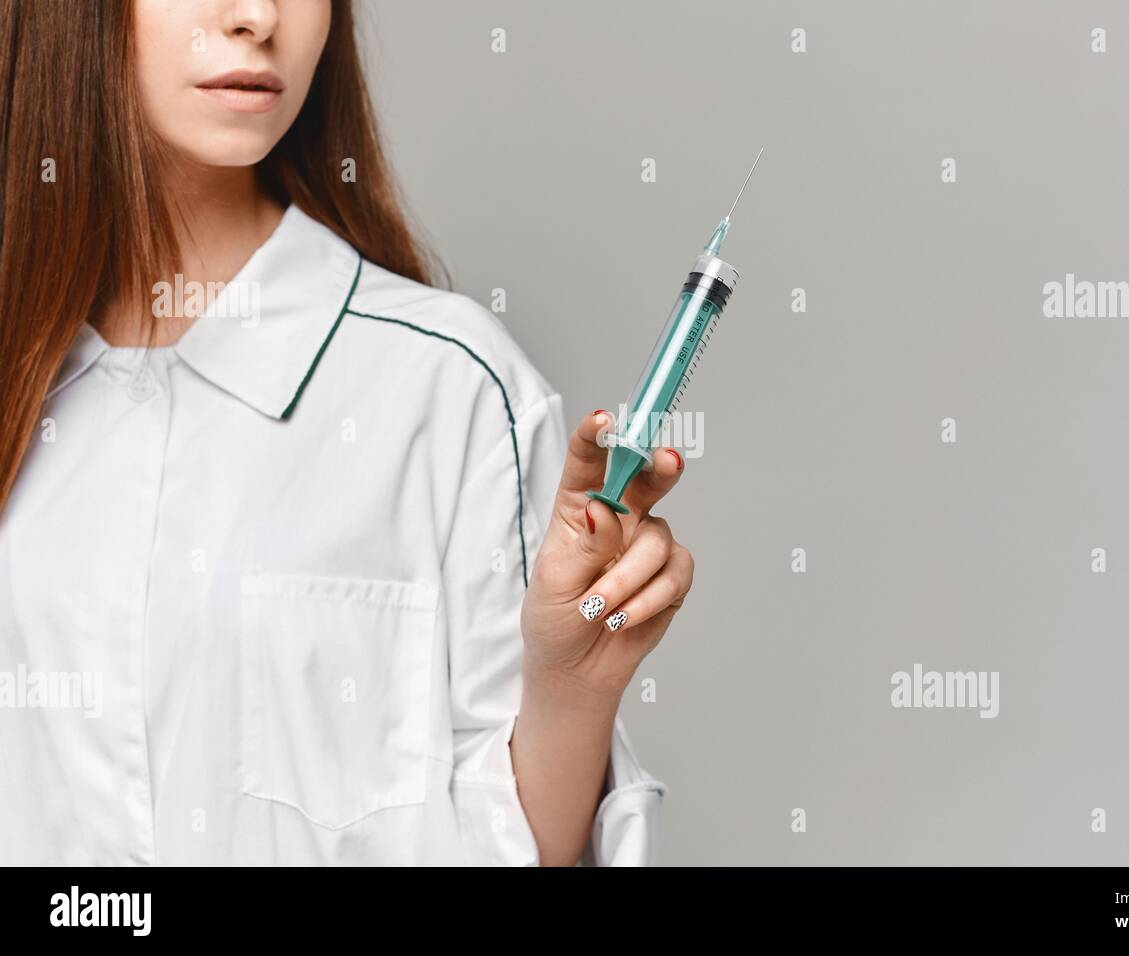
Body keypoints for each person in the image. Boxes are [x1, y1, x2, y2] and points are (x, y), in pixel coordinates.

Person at [0, 0, 693, 866]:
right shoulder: (27, 384)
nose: (257, 16)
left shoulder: (452, 388)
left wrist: (568, 689)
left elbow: (509, 846)